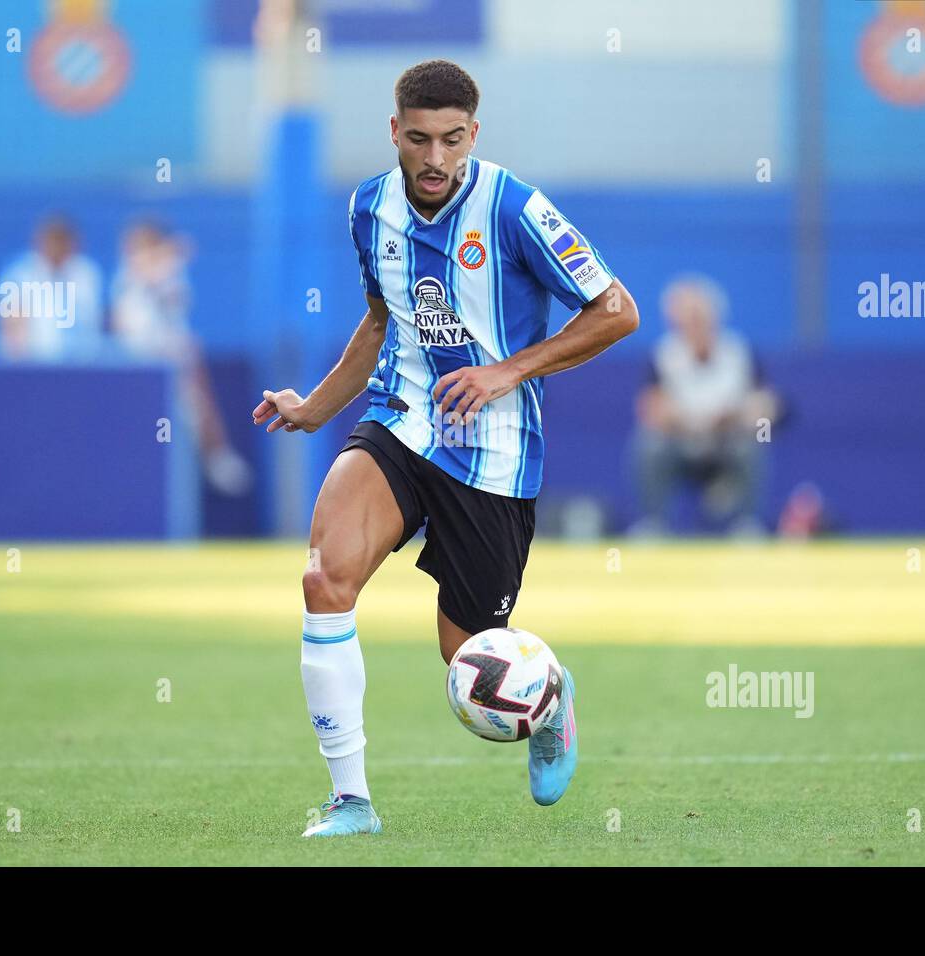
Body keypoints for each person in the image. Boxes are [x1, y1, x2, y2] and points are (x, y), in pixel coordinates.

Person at [252, 59, 638, 837]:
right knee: (324, 580)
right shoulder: (368, 208)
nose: (435, 158)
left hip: (494, 450)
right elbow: (377, 321)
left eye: (452, 140)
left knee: (470, 662)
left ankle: (551, 693)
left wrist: (506, 371)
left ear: (474, 134)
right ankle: (351, 803)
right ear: (395, 131)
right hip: (400, 422)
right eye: (420, 139)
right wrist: (315, 408)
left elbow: (616, 310)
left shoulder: (514, 207)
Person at [111, 220, 252, 496]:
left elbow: (168, 295)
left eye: (142, 244)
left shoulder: (170, 274)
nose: (134, 251)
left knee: (194, 403)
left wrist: (168, 257)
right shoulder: (128, 277)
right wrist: (170, 252)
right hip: (134, 365)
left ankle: (216, 454)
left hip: (169, 363)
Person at [630, 276, 778, 536]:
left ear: (715, 317)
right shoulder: (665, 355)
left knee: (756, 442)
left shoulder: (738, 352)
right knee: (650, 444)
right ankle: (654, 524)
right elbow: (650, 409)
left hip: (728, 441)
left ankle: (747, 526)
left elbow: (766, 405)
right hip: (681, 441)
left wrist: (738, 415)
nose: (693, 324)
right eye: (685, 318)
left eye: (699, 316)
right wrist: (683, 420)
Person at [0, 216, 105, 363]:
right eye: (52, 241)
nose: (56, 248)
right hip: (34, 364)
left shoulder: (87, 272)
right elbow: (12, 327)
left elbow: (94, 322)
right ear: (39, 242)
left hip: (82, 365)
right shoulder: (20, 273)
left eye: (62, 241)